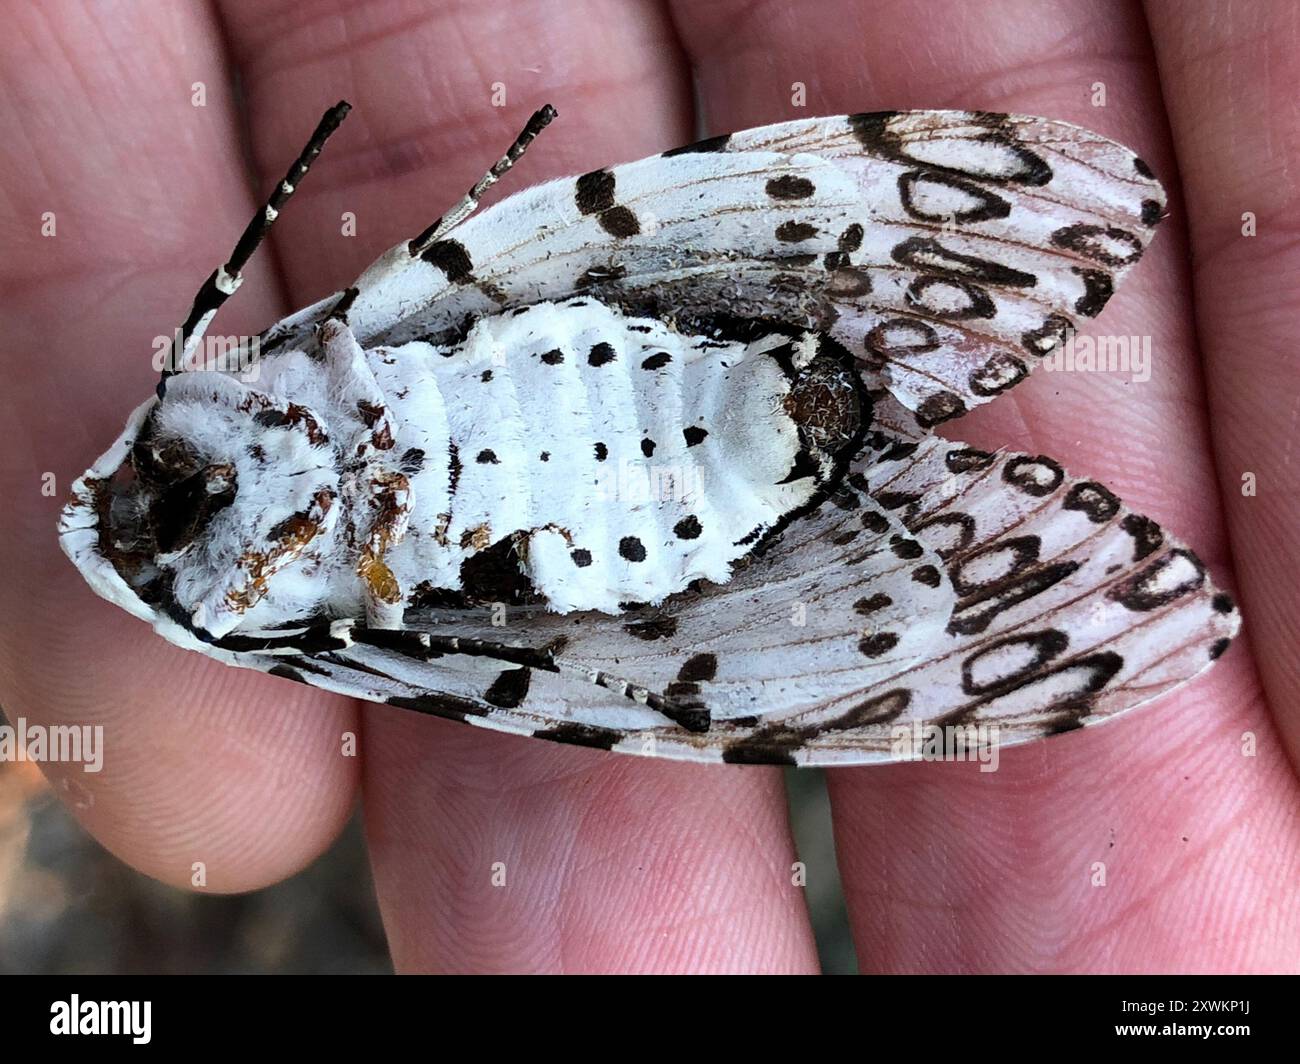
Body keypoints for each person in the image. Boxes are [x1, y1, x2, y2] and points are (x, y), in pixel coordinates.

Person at [1, 0, 1294, 973]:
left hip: (630, 377)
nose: (159, 498)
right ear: (230, 600)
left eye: (159, 463)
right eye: (166, 524)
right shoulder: (295, 605)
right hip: (599, 523)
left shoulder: (280, 381)